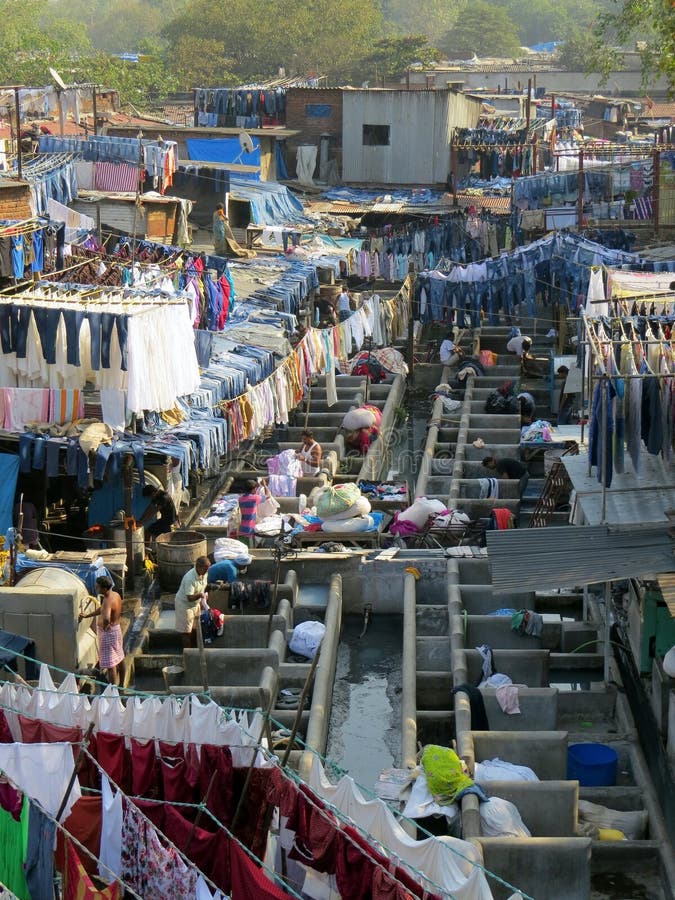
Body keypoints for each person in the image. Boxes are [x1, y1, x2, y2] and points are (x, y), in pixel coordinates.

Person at [79, 576, 125, 685]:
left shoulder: (107, 600)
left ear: (104, 589)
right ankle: (122, 685)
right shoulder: (116, 595)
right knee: (120, 657)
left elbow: (106, 617)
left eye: (98, 586)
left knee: (111, 664)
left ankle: (113, 691)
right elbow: (102, 609)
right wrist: (87, 615)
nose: (96, 588)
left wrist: (105, 626)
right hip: (117, 630)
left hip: (108, 633)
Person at [174, 556, 211, 648]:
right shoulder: (190, 578)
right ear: (198, 567)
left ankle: (195, 649)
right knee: (186, 631)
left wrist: (203, 598)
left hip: (195, 604)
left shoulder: (204, 573)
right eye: (205, 569)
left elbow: (203, 586)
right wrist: (200, 595)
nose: (207, 571)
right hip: (184, 605)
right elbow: (189, 597)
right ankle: (188, 653)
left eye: (208, 569)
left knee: (196, 627)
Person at [237, 478, 272, 546]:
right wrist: (265, 485)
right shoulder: (255, 498)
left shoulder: (240, 499)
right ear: (253, 489)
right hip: (249, 531)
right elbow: (268, 496)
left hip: (241, 530)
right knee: (250, 552)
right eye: (255, 488)